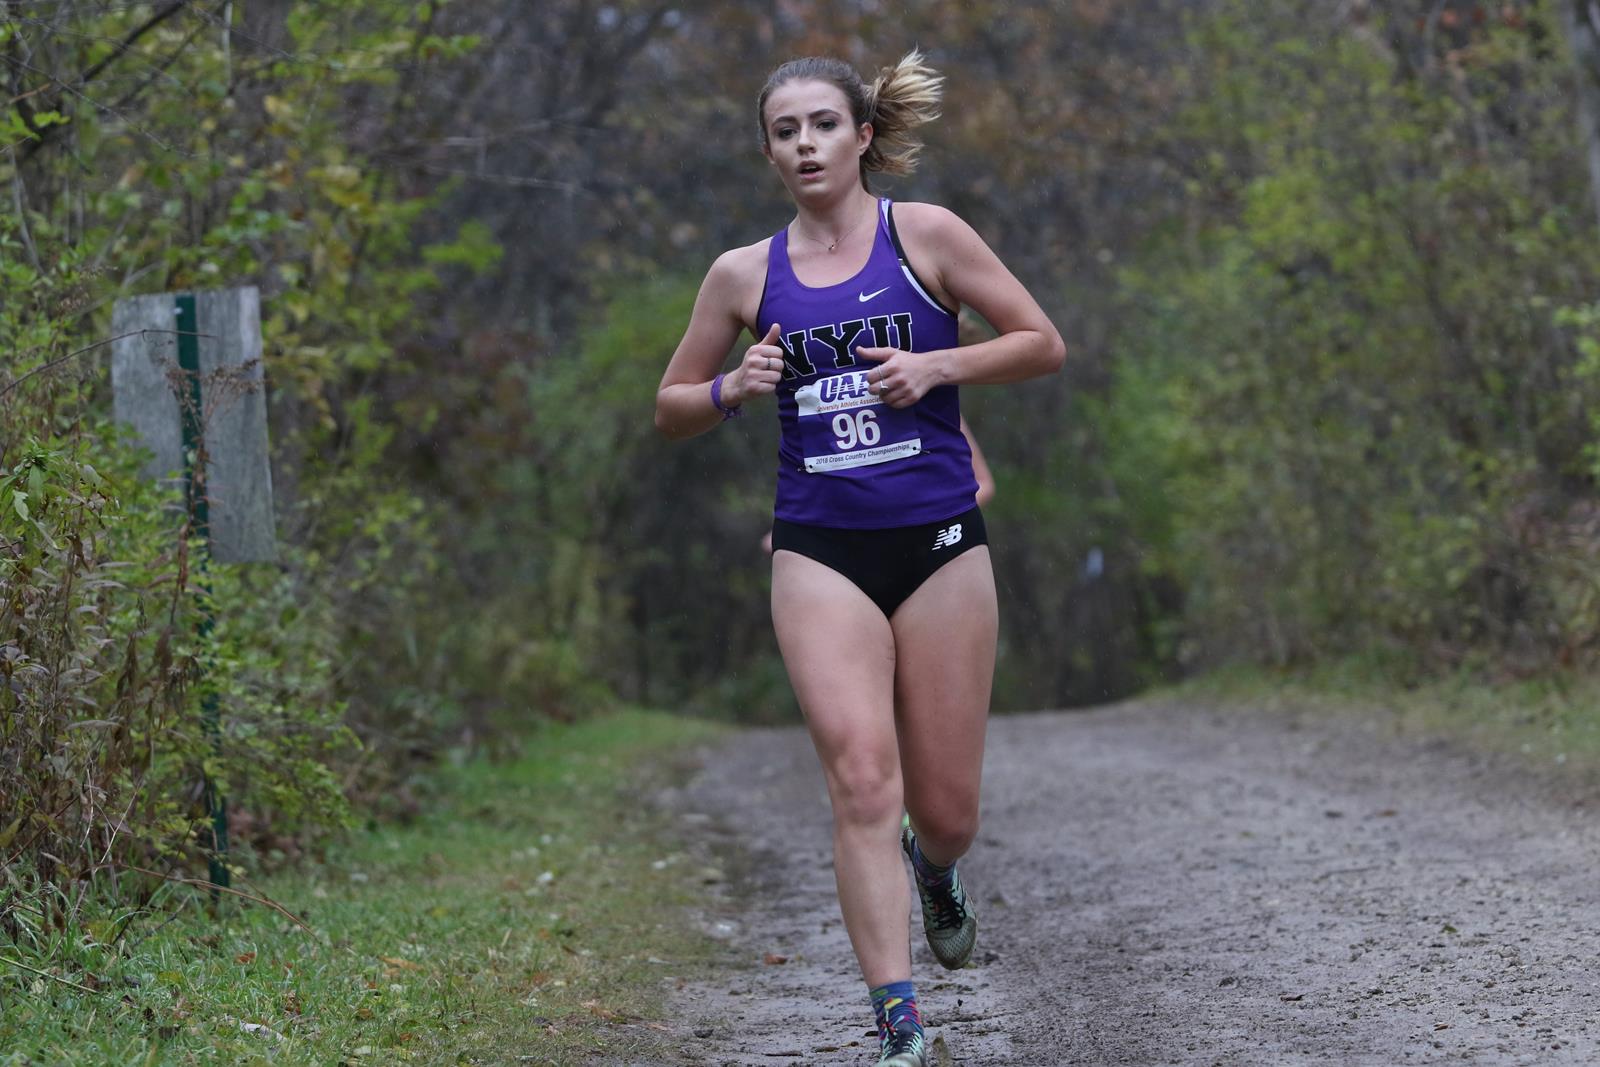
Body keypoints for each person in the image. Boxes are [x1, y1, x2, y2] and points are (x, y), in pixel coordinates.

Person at [654, 50, 1065, 1067]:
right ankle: (897, 1018)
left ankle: (939, 868)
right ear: (767, 149)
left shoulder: (921, 235)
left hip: (935, 545)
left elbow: (1039, 340)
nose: (804, 145)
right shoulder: (742, 274)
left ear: (862, 136)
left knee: (945, 808)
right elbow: (669, 407)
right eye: (785, 130)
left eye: (822, 125)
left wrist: (938, 362)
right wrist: (728, 391)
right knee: (858, 780)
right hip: (819, 548)